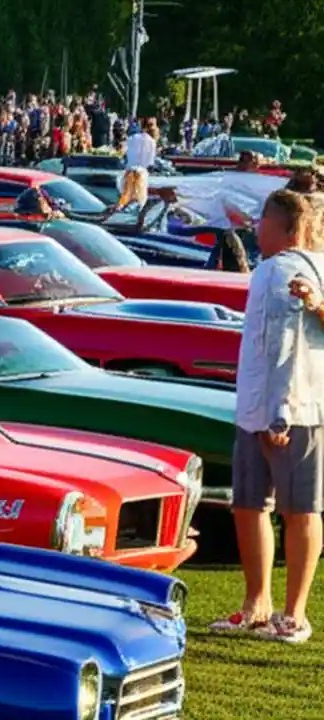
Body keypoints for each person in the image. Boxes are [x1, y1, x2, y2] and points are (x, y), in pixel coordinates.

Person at [210, 190, 324, 643]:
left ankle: (294, 613)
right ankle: (257, 604)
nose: (257, 227)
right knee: (248, 505)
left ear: (285, 228)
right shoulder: (273, 271)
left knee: (299, 509)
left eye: (263, 220)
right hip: (258, 407)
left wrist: (276, 413)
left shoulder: (283, 271)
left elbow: (283, 346)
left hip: (292, 410)